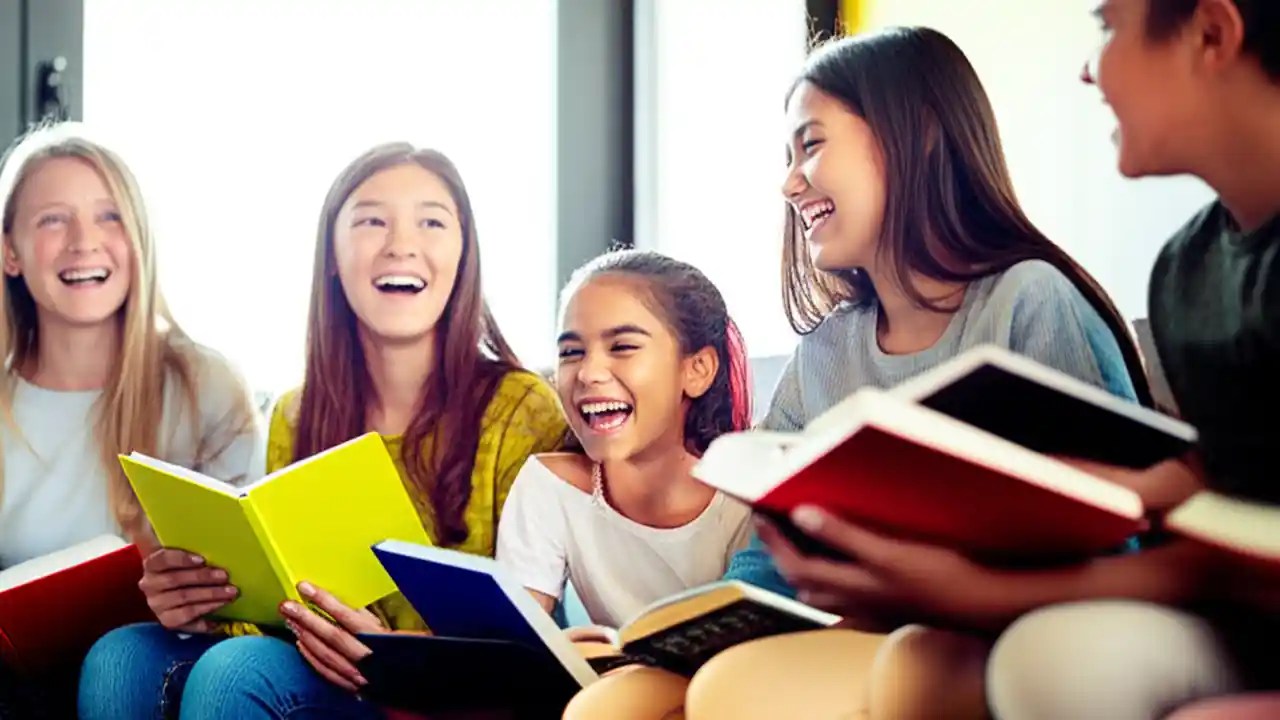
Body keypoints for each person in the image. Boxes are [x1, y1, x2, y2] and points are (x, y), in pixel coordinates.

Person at [565, 26, 1153, 720]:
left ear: (920, 133)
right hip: (839, 627)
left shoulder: (1029, 300)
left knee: (736, 692)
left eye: (811, 145)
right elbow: (768, 554)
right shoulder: (826, 353)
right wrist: (668, 635)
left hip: (987, 630)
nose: (788, 183)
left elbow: (1116, 534)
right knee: (608, 704)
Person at [78, 143, 567, 720]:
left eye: (432, 221)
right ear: (332, 255)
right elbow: (282, 607)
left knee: (234, 671)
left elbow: (524, 649)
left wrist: (400, 656)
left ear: (464, 254)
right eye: (371, 221)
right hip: (325, 680)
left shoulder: (522, 410)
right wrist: (203, 601)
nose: (401, 243)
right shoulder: (297, 412)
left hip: (445, 697)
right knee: (120, 655)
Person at [987, 1, 1280, 717]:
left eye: (1108, 26)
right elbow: (1235, 466)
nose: (1091, 69)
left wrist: (975, 589)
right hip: (1247, 616)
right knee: (1045, 665)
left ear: (1212, 33)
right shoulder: (1186, 270)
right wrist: (1121, 491)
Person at [0, 122, 263, 719]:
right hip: (16, 679)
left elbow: (245, 584)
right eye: (52, 220)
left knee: (119, 665)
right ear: (10, 252)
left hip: (154, 669)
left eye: (109, 216)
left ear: (138, 239)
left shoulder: (205, 387)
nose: (83, 242)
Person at [496, 249, 754, 631]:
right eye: (571, 352)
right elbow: (510, 639)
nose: (588, 372)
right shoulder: (548, 487)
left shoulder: (746, 500)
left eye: (622, 347)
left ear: (697, 369)